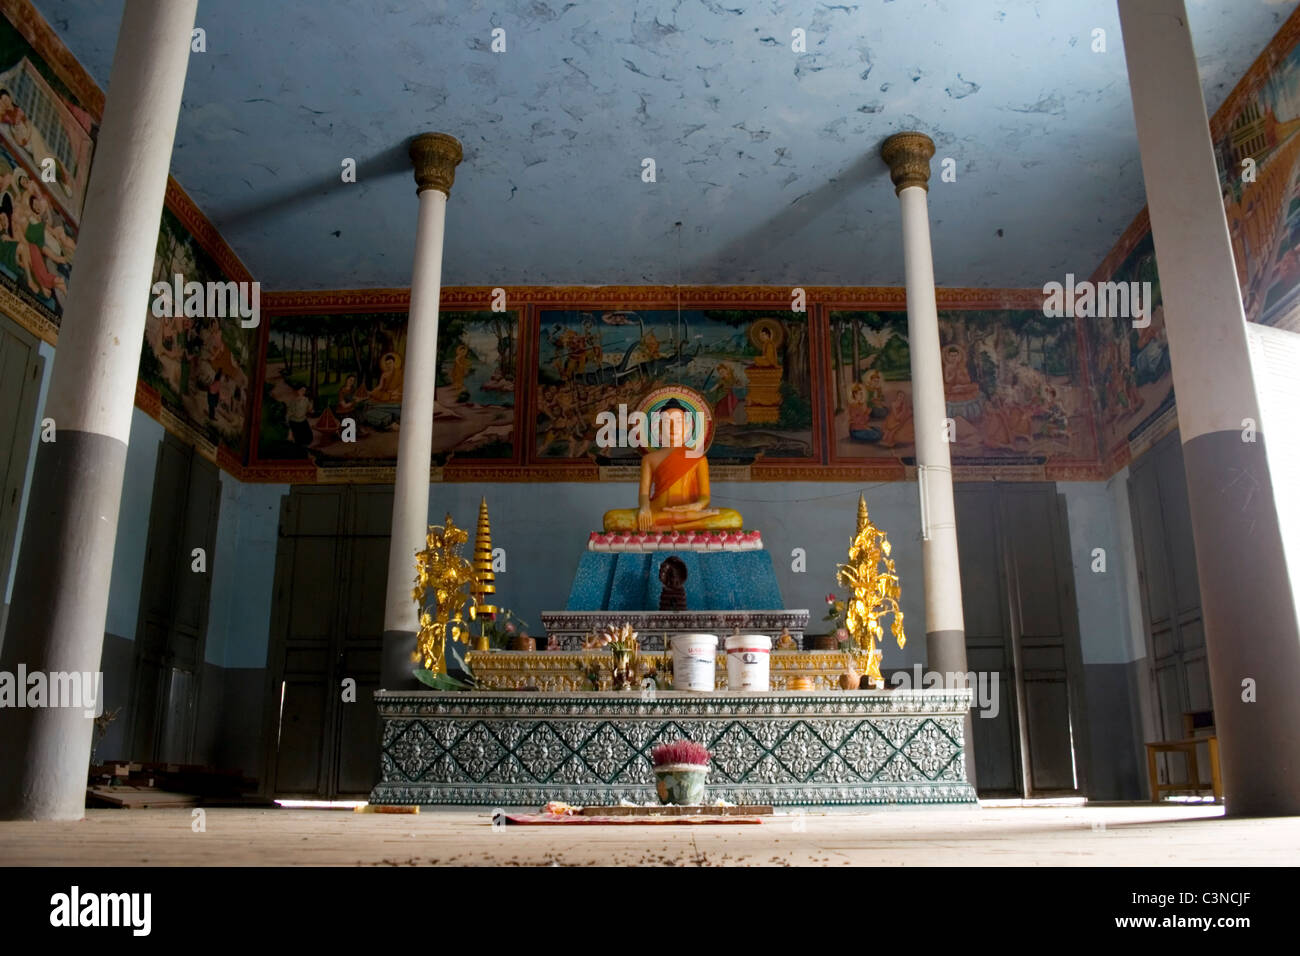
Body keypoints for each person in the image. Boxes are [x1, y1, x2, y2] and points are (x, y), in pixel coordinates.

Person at [602, 398, 742, 533]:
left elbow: (705, 497)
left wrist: (696, 507)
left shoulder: (698, 459)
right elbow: (644, 493)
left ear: (687, 428)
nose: (673, 427)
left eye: (679, 421)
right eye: (667, 422)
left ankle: (674, 527)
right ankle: (683, 525)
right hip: (657, 513)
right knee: (611, 518)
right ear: (658, 429)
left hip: (689, 514)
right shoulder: (649, 459)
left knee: (734, 518)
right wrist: (645, 508)